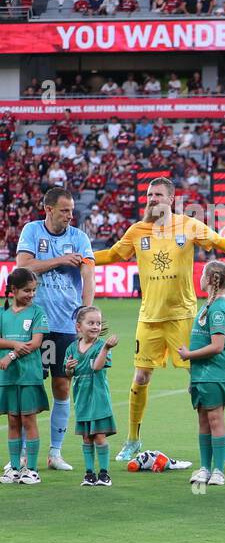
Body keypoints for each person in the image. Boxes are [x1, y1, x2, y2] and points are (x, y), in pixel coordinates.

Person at [95, 177, 225, 461]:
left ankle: (220, 439)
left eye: (158, 195)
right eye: (150, 194)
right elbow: (115, 254)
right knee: (141, 376)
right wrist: (85, 257)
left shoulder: (188, 225)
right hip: (149, 317)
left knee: (199, 377)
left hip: (183, 316)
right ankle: (132, 440)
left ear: (171, 199)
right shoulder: (137, 230)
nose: (152, 199)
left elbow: (217, 242)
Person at [15, 187, 94, 472]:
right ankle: (24, 453)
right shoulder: (33, 231)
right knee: (30, 388)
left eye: (72, 211)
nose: (70, 216)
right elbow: (23, 267)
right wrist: (60, 260)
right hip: (33, 324)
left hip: (64, 325)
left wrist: (86, 311)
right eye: (64, 211)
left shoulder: (80, 238)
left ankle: (55, 453)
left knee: (62, 387)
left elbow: (88, 273)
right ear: (48, 209)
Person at [178, 261, 225, 489]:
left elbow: (218, 345)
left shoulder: (219, 309)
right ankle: (204, 467)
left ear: (211, 280)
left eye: (202, 275)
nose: (199, 278)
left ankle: (219, 470)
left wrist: (189, 354)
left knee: (215, 419)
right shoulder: (208, 306)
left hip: (215, 373)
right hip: (201, 374)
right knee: (203, 420)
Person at [0, 268, 48, 485]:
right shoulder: (3, 315)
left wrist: (10, 354)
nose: (31, 294)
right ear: (13, 289)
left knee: (28, 419)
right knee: (12, 420)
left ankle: (32, 469)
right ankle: (14, 468)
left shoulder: (37, 312)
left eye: (34, 290)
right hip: (8, 376)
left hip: (29, 374)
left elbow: (35, 343)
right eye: (27, 290)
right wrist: (15, 345)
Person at [63, 306, 117, 487]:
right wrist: (69, 368)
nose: (95, 327)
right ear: (79, 327)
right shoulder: (72, 347)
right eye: (91, 323)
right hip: (82, 398)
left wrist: (107, 348)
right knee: (86, 437)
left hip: (98, 398)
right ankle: (89, 474)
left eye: (98, 323)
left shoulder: (102, 346)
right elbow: (69, 374)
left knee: (99, 436)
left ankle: (104, 474)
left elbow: (97, 367)